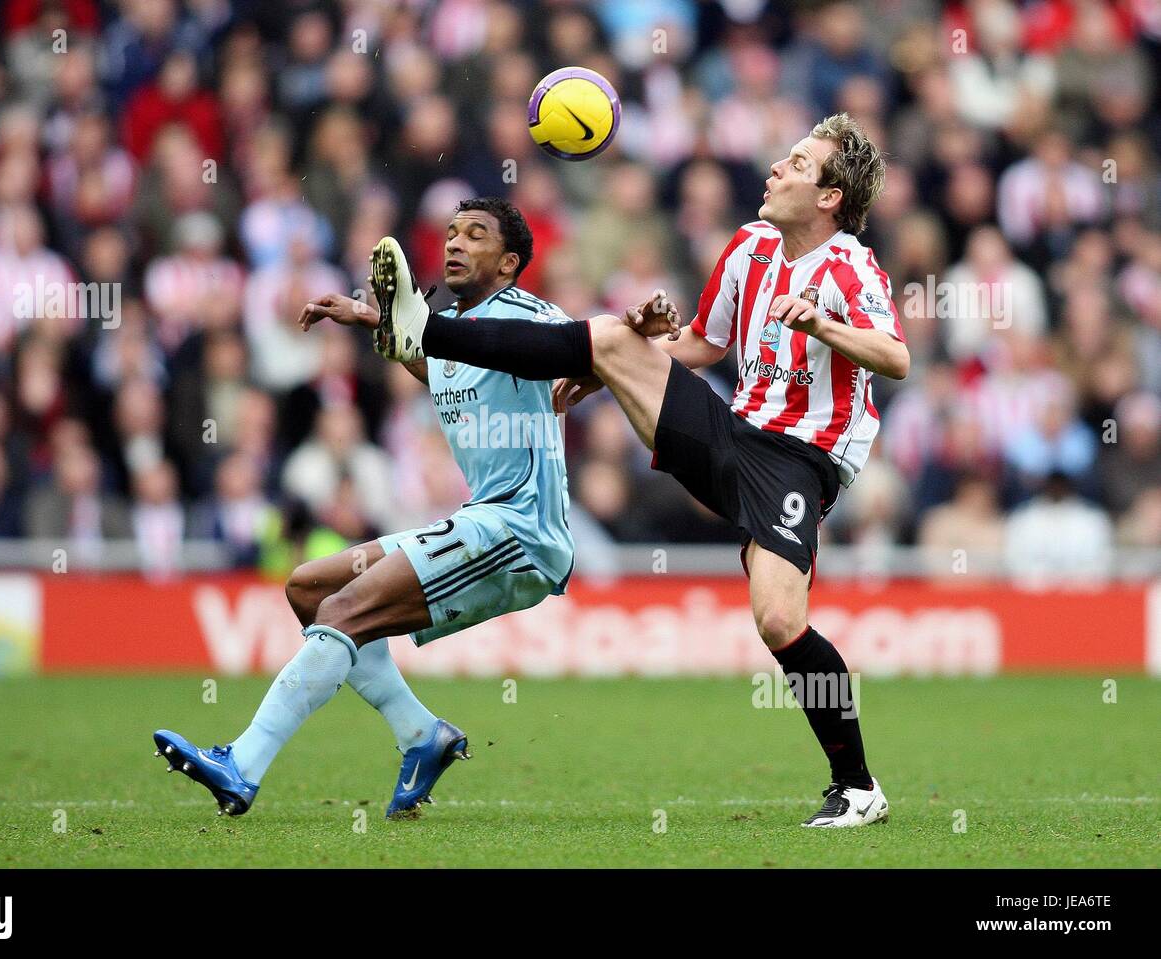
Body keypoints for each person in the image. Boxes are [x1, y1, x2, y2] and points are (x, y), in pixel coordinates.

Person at [372, 114, 910, 828]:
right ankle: (425, 327)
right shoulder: (750, 247)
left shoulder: (850, 266)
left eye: (797, 163)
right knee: (611, 335)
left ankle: (858, 785)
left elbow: (895, 357)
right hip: (731, 433)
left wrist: (822, 325)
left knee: (780, 620)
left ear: (830, 197)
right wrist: (614, 365)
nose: (777, 169)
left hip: (797, 461)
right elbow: (703, 344)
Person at [153, 198, 575, 819]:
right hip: (483, 519)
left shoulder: (531, 316)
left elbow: (589, 349)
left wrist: (624, 344)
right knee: (310, 589)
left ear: (510, 261)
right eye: (451, 233)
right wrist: (373, 321)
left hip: (521, 533)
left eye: (475, 236)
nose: (455, 243)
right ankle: (420, 735)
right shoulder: (455, 327)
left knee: (346, 611)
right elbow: (442, 371)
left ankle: (242, 764)